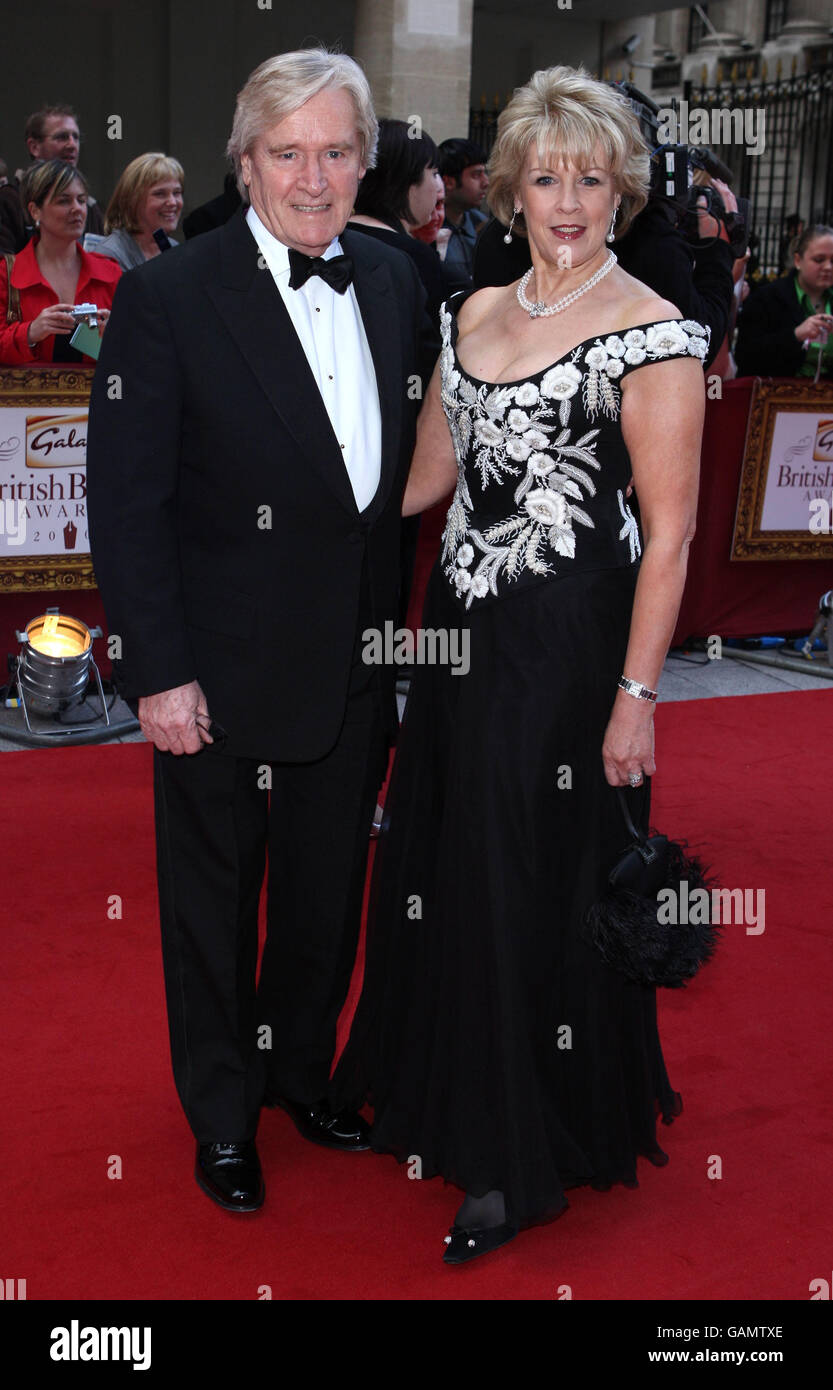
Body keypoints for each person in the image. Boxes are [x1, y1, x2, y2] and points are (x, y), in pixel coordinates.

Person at [333, 64, 708, 1263]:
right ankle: (435, 1095)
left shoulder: (652, 329)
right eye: (544, 177)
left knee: (521, 873)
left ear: (621, 190)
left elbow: (672, 532)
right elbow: (424, 485)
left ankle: (512, 1158)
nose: (565, 200)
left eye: (589, 179)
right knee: (444, 853)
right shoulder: (475, 312)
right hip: (458, 641)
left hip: (568, 650)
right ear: (506, 189)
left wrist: (636, 698)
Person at [85, 48, 425, 1215]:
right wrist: (158, 671)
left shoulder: (394, 283)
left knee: (327, 891)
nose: (315, 176)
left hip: (351, 662)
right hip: (215, 668)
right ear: (245, 162)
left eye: (338, 151)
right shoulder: (168, 297)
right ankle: (223, 1115)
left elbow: (394, 490)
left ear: (366, 162)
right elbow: (128, 504)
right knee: (215, 902)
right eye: (289, 152)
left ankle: (298, 1077)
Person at [0, 160, 119, 365]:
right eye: (64, 201)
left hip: (98, 396)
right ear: (35, 211)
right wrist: (29, 333)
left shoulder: (111, 273)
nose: (77, 209)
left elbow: (138, 354)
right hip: (26, 396)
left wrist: (117, 334)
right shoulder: (5, 274)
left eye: (81, 200)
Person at [0, 106, 105, 252]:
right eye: (61, 137)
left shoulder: (90, 208)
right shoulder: (8, 201)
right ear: (34, 147)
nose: (72, 145)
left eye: (76, 137)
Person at [735, 224, 833, 380]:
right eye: (819, 260)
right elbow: (745, 356)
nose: (828, 267)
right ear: (798, 260)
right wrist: (796, 335)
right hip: (777, 397)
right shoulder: (767, 298)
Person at [83, 153, 184, 269]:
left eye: (177, 193)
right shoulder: (109, 255)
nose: (172, 202)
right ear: (133, 200)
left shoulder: (175, 248)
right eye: (160, 194)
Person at [437, 137, 489, 280]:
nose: (486, 182)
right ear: (449, 182)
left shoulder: (481, 224)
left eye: (484, 173)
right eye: (476, 175)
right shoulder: (429, 227)